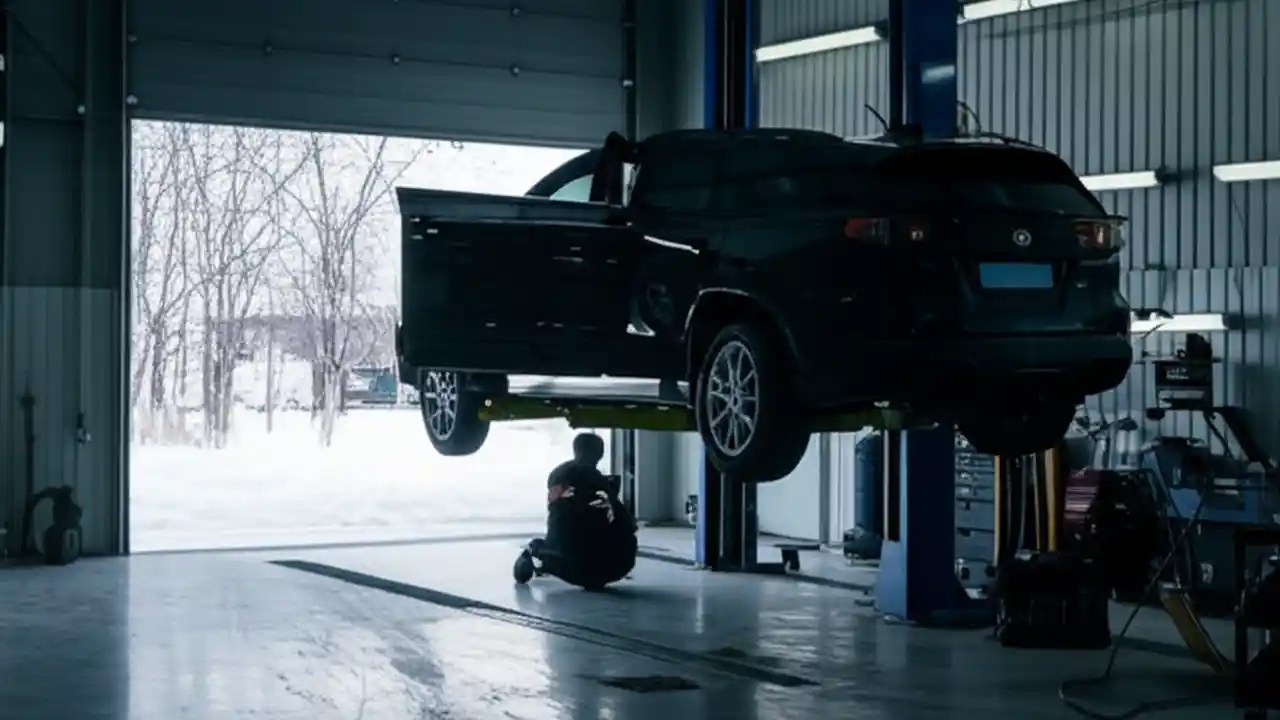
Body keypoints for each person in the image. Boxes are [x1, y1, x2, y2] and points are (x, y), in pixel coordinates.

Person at [515, 433, 637, 589]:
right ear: (601, 454)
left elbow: (558, 520)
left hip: (566, 565)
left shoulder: (559, 478)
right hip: (612, 569)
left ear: (575, 450)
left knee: (544, 542)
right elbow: (627, 524)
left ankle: (531, 554)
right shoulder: (602, 486)